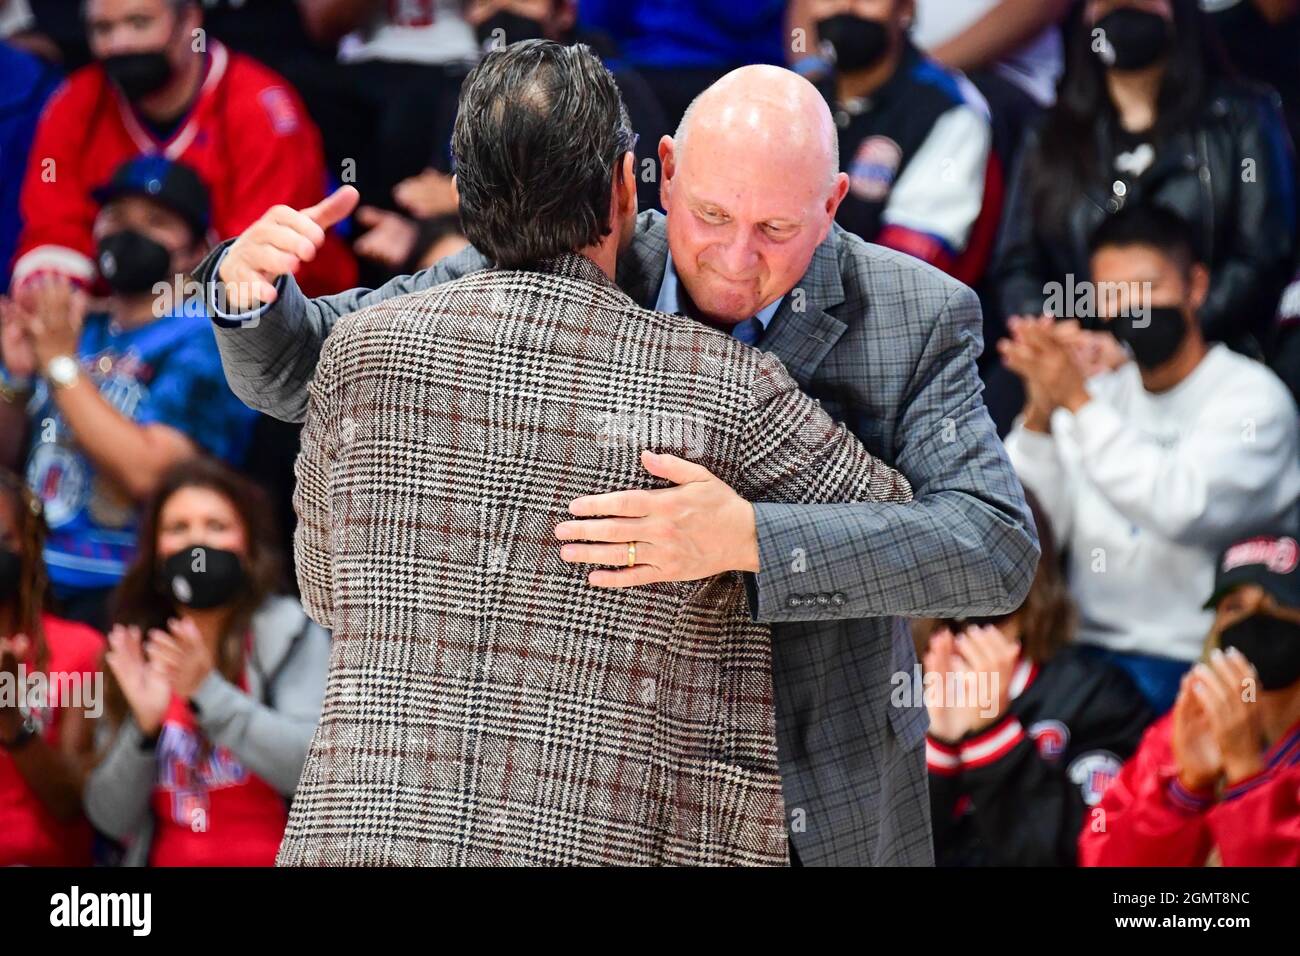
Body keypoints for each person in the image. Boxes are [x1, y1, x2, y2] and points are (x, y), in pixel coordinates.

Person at [199, 60, 1040, 868]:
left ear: (834, 204)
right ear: (659, 174)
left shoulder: (918, 312)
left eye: (778, 229)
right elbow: (318, 362)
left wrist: (753, 539)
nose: (736, 258)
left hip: (819, 784)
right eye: (710, 215)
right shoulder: (569, 238)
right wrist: (246, 290)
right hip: (607, 790)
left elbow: (993, 549)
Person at [1001, 205, 1300, 714]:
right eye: (1113, 295)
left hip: (1196, 663)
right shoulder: (1102, 395)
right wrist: (1041, 413)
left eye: (1147, 289)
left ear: (1196, 286)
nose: (1132, 309)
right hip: (1082, 655)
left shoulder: (1254, 401)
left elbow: (1180, 504)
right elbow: (1033, 526)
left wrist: (1075, 399)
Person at [988, 0, 1296, 430]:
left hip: (1205, 354)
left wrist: (1144, 340)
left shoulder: (1242, 117)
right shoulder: (1049, 134)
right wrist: (1065, 335)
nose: (1123, 9)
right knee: (996, 415)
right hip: (1078, 356)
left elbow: (1263, 258)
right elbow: (1018, 265)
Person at [0, 156, 260, 629]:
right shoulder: (77, 326)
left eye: (156, 222)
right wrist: (16, 380)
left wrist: (58, 364)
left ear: (194, 251)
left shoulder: (208, 340)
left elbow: (150, 473)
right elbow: (6, 464)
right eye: (116, 216)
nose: (127, 232)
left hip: (129, 597)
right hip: (31, 583)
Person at [10, 0, 355, 297]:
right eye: (103, 29)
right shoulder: (75, 101)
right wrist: (56, 303)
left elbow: (267, 261)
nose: (120, 44)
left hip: (272, 327)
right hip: (120, 319)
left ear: (190, 20)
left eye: (139, 23)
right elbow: (52, 227)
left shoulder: (261, 107)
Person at [84, 458, 329, 867]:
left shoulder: (289, 632)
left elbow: (317, 774)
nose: (197, 544)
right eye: (178, 528)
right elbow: (108, 818)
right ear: (155, 555)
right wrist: (142, 731)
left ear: (248, 547)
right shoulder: (134, 650)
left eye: (216, 526)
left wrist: (206, 692)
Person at [919, 490, 1153, 866]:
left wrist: (992, 736)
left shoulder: (1098, 697)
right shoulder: (899, 686)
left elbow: (1085, 851)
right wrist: (939, 754)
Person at [1079, 532, 1300, 866]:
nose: (1253, 620)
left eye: (1279, 605)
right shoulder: (1179, 731)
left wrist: (1246, 776)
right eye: (1234, 607)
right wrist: (1187, 791)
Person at [803, 0, 1001, 285]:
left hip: (894, 316)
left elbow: (904, 269)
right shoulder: (800, 96)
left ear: (906, 9)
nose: (846, 7)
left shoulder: (949, 110)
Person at [0, 468, 102, 866]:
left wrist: (11, 721)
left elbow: (73, 801)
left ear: (28, 544)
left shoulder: (82, 650)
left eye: (3, 539)